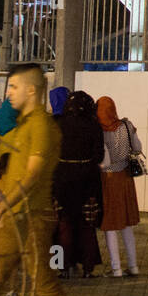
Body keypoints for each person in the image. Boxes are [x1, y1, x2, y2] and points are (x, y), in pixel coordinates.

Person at [0, 64, 68, 296]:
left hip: (31, 217)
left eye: (14, 87)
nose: (9, 93)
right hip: (17, 217)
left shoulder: (40, 125)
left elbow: (32, 175)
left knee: (43, 286)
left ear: (30, 90)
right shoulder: (25, 124)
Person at [53, 90, 104, 278]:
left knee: (62, 226)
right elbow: (99, 156)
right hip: (87, 181)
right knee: (87, 228)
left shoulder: (58, 125)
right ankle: (88, 269)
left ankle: (61, 267)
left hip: (61, 181)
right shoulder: (93, 125)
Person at [96, 96, 142, 277]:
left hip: (107, 179)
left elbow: (103, 159)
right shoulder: (127, 125)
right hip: (125, 177)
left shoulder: (99, 130)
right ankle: (133, 266)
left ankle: (116, 268)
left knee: (110, 225)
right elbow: (137, 147)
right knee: (126, 224)